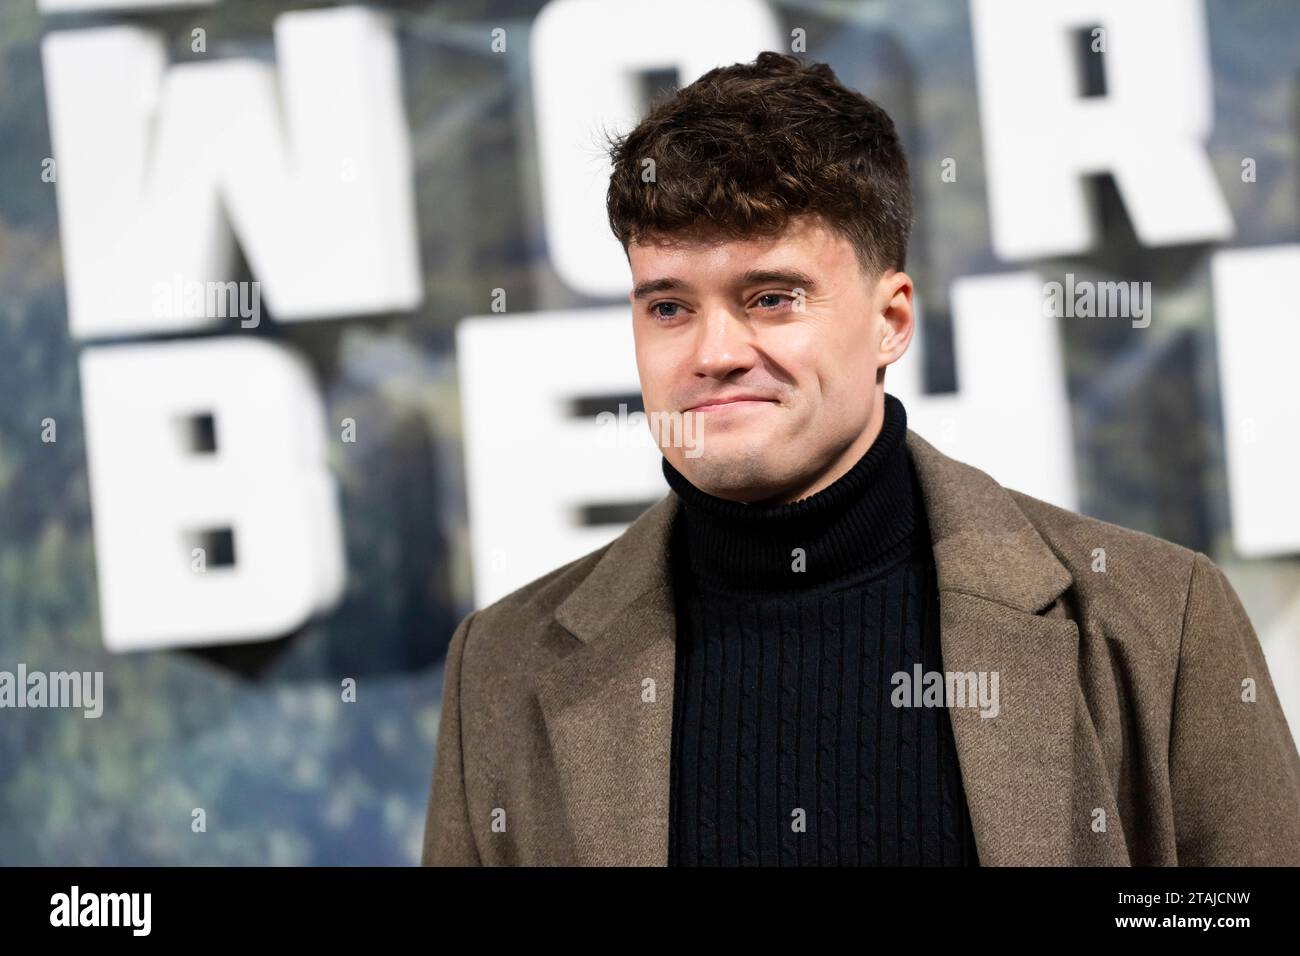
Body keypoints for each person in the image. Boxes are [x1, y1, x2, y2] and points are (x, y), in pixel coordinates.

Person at [422, 52, 1300, 866]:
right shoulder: (499, 667)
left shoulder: (1159, 621)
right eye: (669, 308)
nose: (713, 352)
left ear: (891, 321)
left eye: (771, 297)